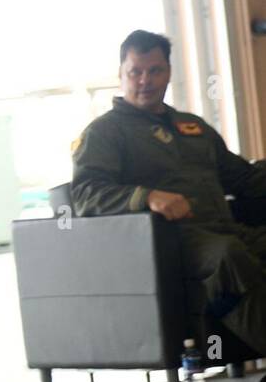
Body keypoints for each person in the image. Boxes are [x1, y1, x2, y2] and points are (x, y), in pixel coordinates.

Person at [71, 29, 266, 358]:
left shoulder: (194, 127)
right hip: (171, 240)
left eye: (155, 70)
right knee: (227, 256)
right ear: (121, 74)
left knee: (237, 245)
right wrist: (147, 197)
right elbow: (86, 194)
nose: (145, 80)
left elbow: (243, 178)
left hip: (224, 227)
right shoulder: (105, 132)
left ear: (169, 73)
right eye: (135, 71)